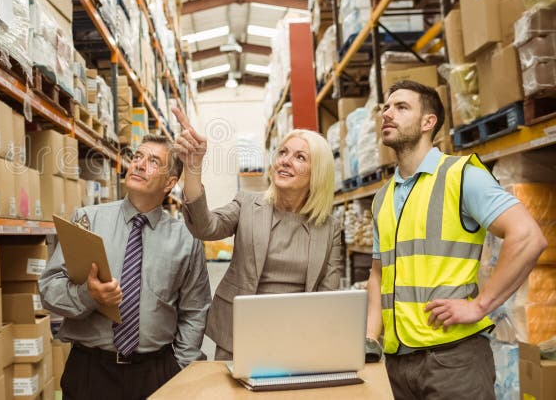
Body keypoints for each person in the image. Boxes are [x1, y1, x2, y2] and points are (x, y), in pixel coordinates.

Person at [366, 80, 547, 399]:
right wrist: (370, 341)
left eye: (401, 107)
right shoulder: (382, 198)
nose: (388, 114)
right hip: (397, 365)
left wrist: (480, 306)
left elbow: (528, 236)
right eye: (386, 107)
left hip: (452, 361)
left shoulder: (461, 175)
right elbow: (378, 274)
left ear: (428, 122)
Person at [39, 134, 211, 400]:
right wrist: (88, 295)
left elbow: (195, 310)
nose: (139, 164)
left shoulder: (186, 239)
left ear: (170, 183)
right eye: (137, 156)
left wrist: (180, 366)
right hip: (91, 372)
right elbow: (49, 290)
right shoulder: (88, 220)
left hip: (156, 373)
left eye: (153, 161)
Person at [171, 107, 343, 360]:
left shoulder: (330, 228)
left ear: (318, 172)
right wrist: (193, 168)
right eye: (282, 152)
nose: (285, 160)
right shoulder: (247, 204)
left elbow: (328, 294)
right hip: (239, 333)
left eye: (300, 157)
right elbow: (204, 227)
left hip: (298, 336)